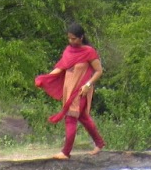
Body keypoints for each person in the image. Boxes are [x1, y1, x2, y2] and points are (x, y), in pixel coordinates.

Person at [35, 23, 105, 160]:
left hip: (81, 91)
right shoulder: (68, 50)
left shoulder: (89, 51)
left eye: (74, 39)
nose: (71, 41)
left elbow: (99, 71)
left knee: (70, 118)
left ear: (81, 37)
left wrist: (88, 84)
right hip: (69, 89)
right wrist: (45, 79)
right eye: (69, 38)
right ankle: (99, 143)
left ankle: (66, 152)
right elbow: (61, 68)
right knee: (83, 118)